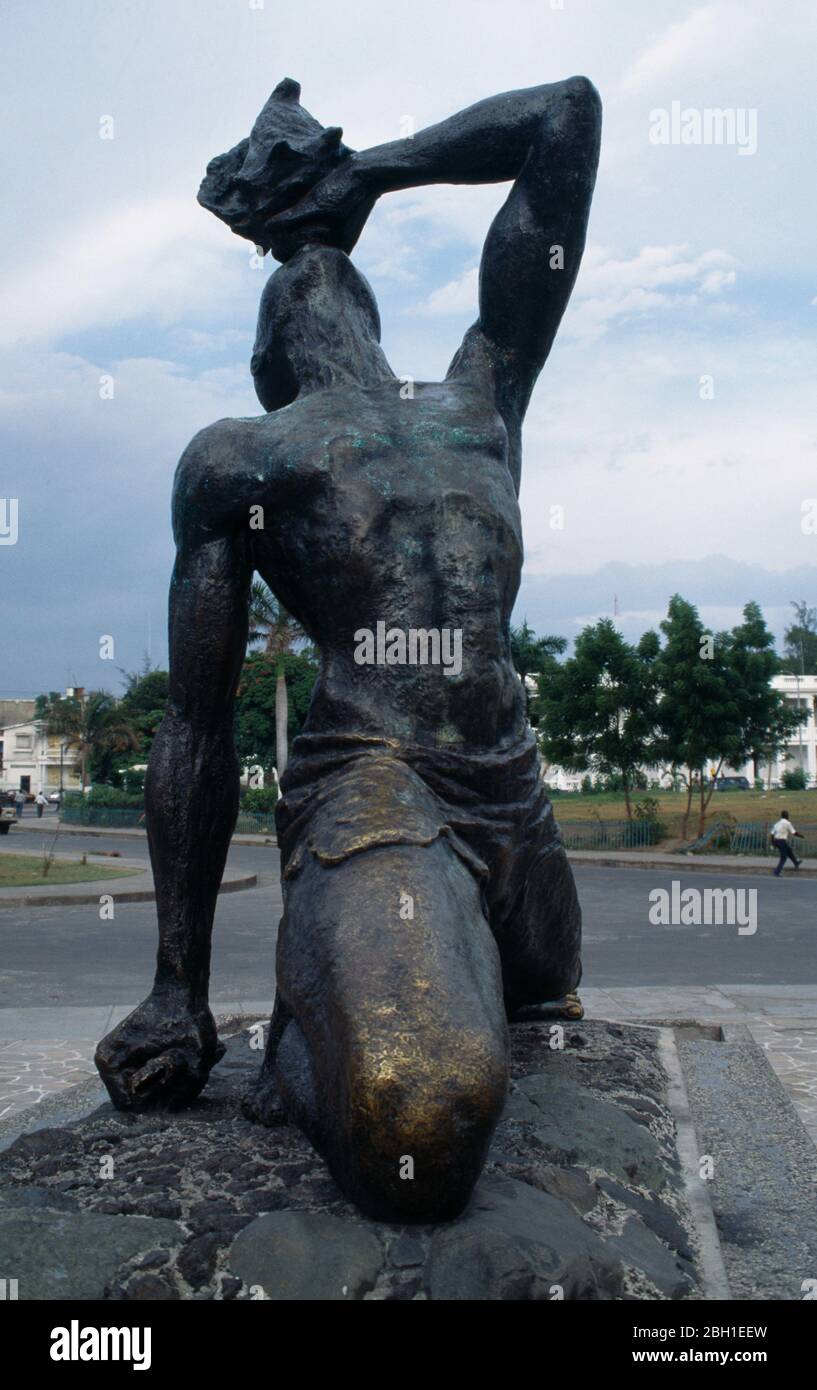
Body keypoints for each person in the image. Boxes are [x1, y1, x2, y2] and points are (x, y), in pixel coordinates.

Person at [96, 74, 601, 1221]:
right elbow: (196, 726)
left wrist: (364, 169)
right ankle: (311, 1026)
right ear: (276, 355)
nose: (312, 297)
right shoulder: (243, 461)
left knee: (546, 987)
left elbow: (566, 117)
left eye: (324, 290)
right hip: (375, 793)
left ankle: (337, 989)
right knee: (415, 1121)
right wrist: (176, 992)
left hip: (514, 807)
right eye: (296, 295)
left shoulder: (480, 399)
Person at [771, 809, 803, 876]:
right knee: (784, 857)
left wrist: (773, 843)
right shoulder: (787, 823)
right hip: (782, 841)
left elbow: (772, 834)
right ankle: (777, 872)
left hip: (776, 840)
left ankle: (796, 862)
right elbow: (793, 832)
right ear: (787, 816)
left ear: (781, 816)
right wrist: (801, 836)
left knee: (789, 850)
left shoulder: (777, 823)